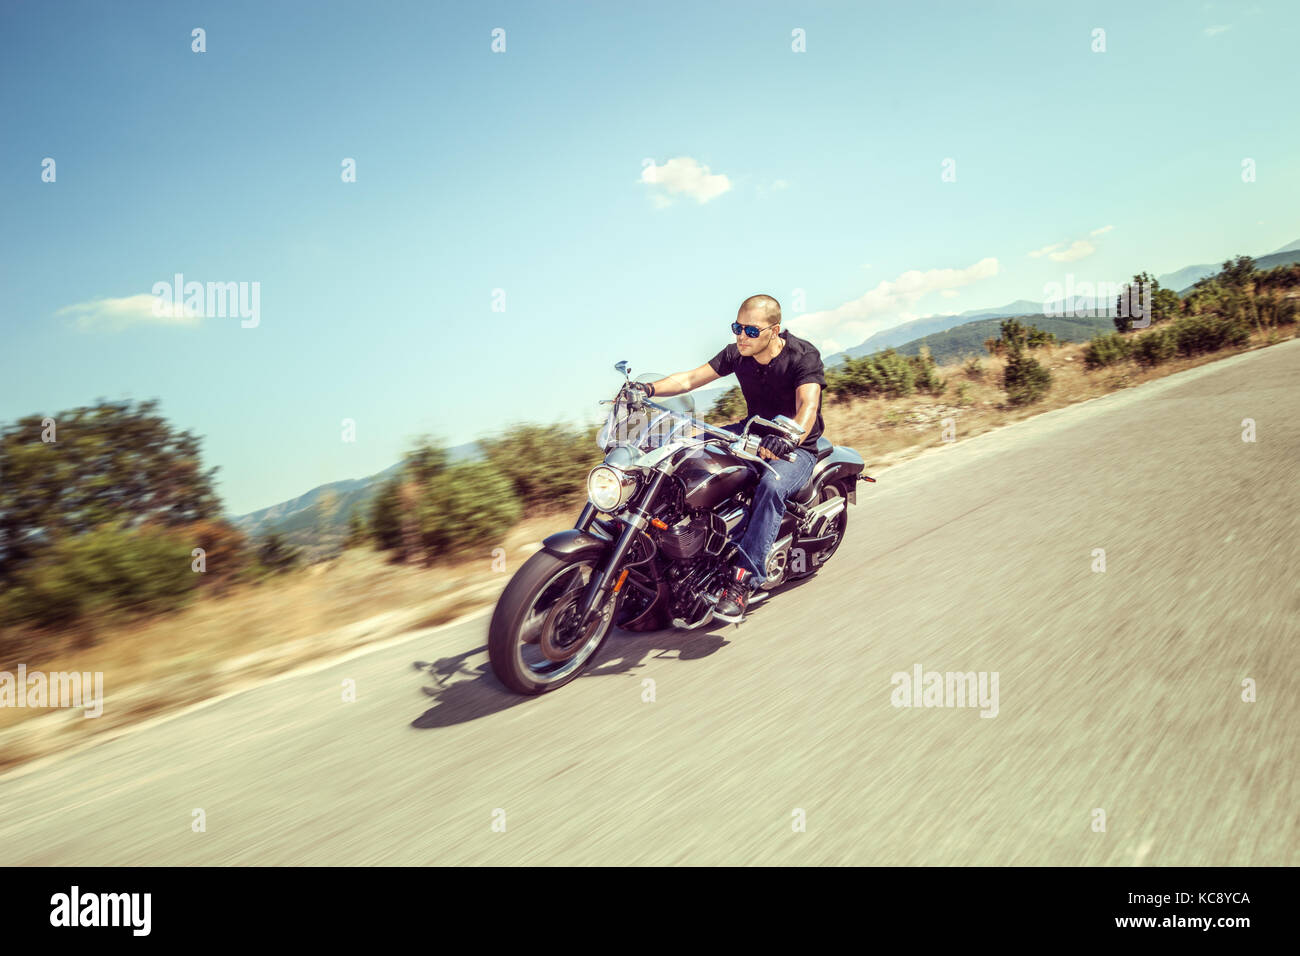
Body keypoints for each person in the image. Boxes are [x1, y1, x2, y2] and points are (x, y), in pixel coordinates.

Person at [631, 294, 826, 623]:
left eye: (750, 330)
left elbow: (808, 406)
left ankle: (743, 581)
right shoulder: (737, 354)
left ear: (774, 330)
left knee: (772, 485)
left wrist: (788, 437)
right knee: (682, 451)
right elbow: (691, 379)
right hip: (750, 433)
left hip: (795, 446)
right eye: (737, 327)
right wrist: (646, 389)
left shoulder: (802, 356)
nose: (740, 336)